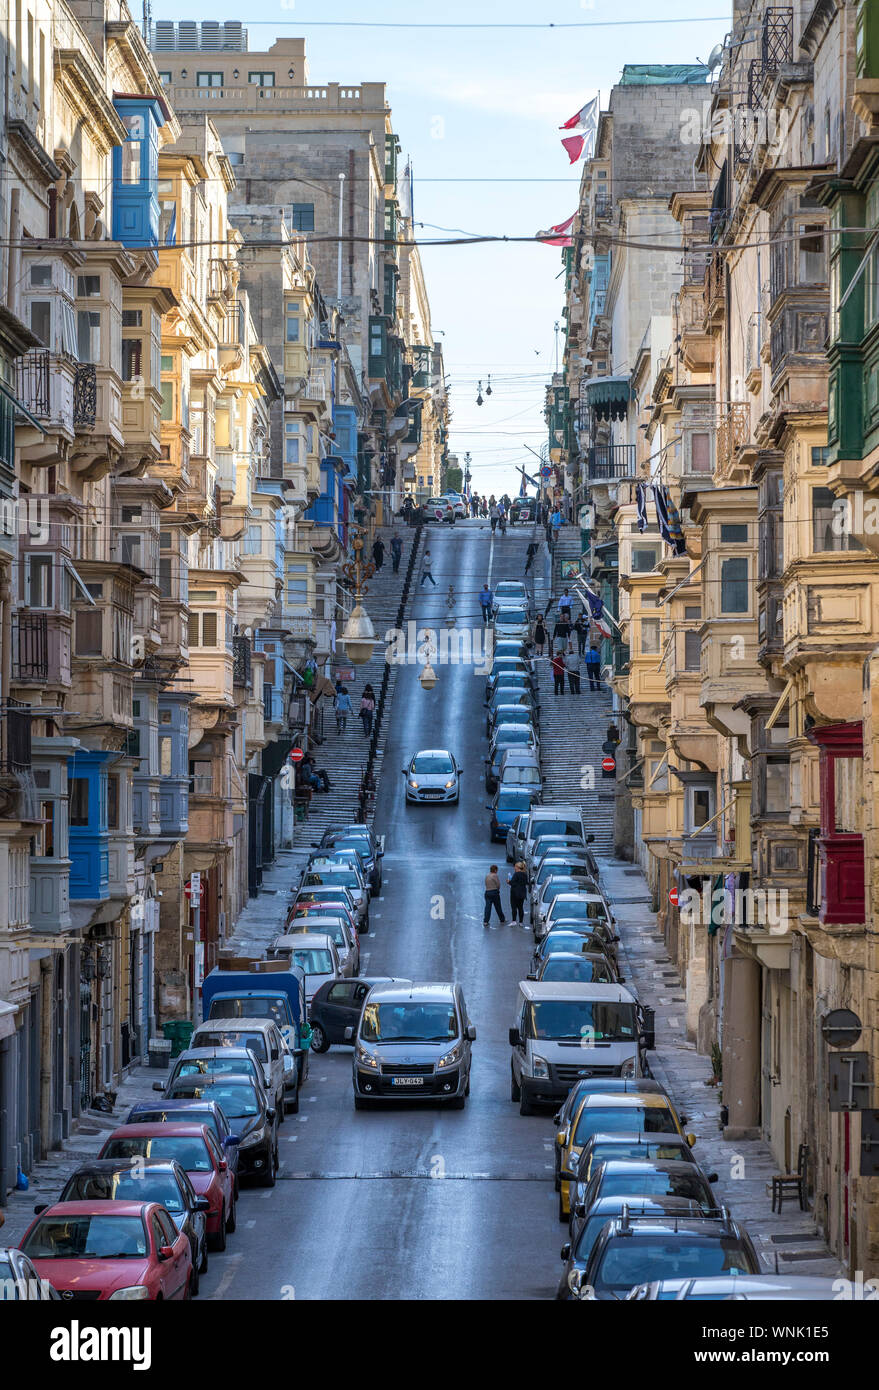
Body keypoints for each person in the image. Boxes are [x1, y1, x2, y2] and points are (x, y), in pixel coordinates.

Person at [508, 861, 529, 925]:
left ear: (517, 867)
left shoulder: (516, 874)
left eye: (515, 866)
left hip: (515, 893)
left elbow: (513, 883)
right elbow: (526, 883)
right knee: (520, 907)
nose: (514, 868)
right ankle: (521, 922)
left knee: (514, 907)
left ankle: (514, 921)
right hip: (522, 893)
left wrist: (509, 881)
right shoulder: (525, 874)